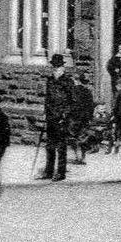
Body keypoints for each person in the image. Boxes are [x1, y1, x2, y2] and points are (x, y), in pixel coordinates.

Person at [39, 53, 74, 181]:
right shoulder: (50, 81)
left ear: (63, 68)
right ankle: (48, 171)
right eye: (54, 67)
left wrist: (65, 115)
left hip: (62, 118)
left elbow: (72, 101)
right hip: (51, 117)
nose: (56, 70)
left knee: (61, 145)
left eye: (58, 67)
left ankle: (61, 172)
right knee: (49, 145)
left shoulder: (68, 82)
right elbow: (47, 99)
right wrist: (45, 112)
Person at [68, 73, 94, 164]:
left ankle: (76, 155)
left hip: (74, 118)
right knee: (83, 137)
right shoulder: (89, 92)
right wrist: (90, 118)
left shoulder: (73, 90)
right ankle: (83, 157)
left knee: (73, 137)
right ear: (87, 82)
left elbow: (69, 104)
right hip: (84, 119)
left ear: (79, 80)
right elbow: (91, 107)